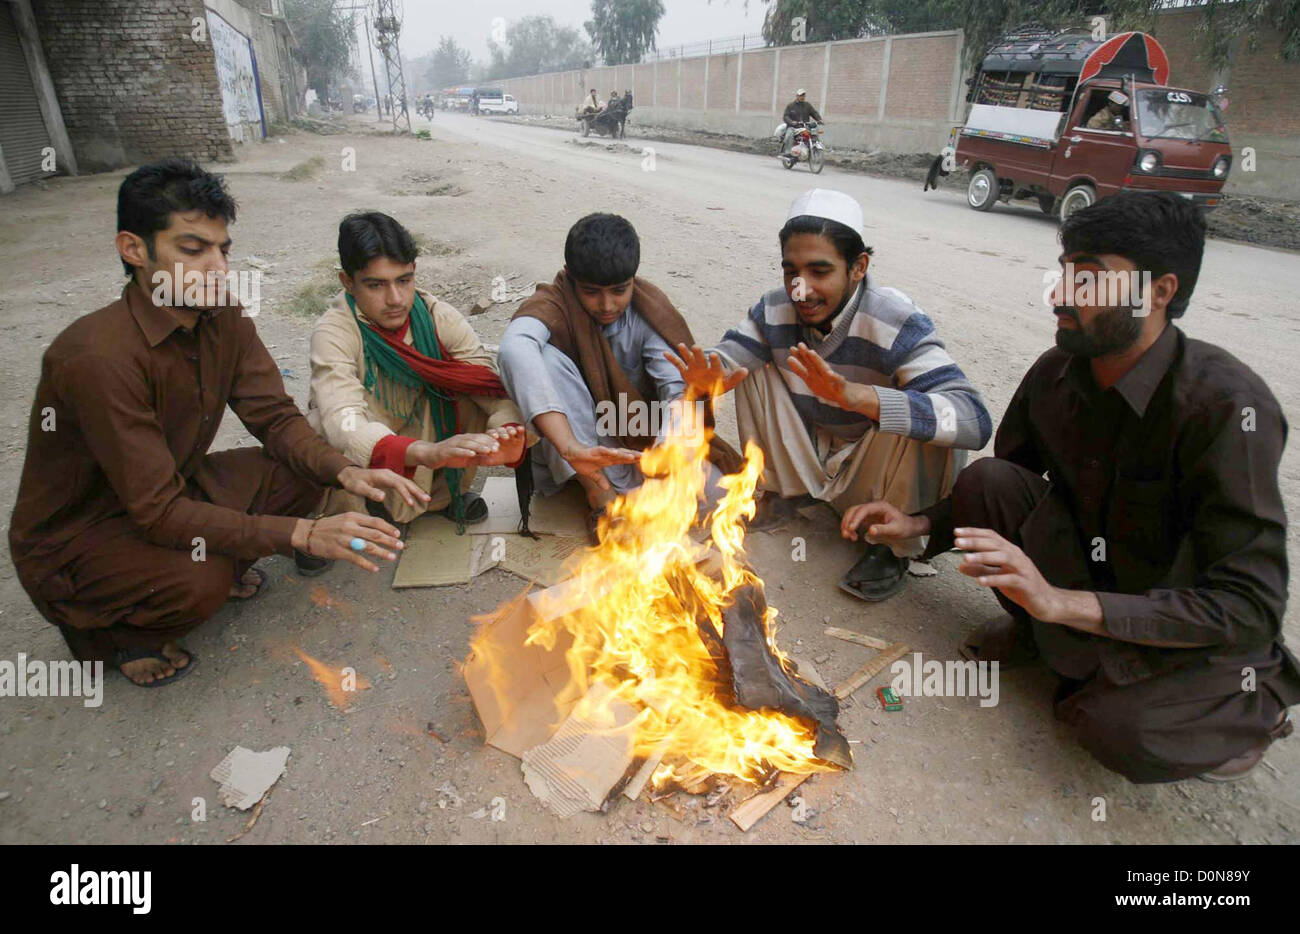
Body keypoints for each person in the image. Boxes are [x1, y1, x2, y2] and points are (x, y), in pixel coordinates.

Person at [847, 191, 1299, 783]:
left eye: (1088, 279)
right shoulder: (1056, 371)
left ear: (1158, 292)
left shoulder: (1226, 407)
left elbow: (1248, 605)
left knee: (1116, 727)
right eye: (1063, 274)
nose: (1060, 295)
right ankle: (1050, 638)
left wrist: (1060, 602)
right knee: (987, 482)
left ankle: (1244, 713)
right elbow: (1003, 486)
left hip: (1174, 614)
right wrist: (918, 525)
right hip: (1090, 570)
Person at [8, 159, 425, 686]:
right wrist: (304, 533)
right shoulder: (96, 357)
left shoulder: (221, 316)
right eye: (192, 249)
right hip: (84, 535)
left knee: (302, 470)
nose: (216, 266)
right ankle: (110, 636)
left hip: (168, 493)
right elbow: (157, 511)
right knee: (200, 582)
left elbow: (274, 418)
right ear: (133, 249)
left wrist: (344, 473)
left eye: (221, 249)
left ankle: (206, 561)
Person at [669, 189, 991, 601]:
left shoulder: (896, 319)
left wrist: (861, 398)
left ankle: (892, 547)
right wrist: (710, 373)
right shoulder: (774, 309)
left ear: (858, 267)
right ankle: (788, 492)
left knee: (922, 412)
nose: (801, 290)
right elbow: (729, 356)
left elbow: (974, 420)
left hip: (875, 467)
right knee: (750, 369)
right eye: (792, 272)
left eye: (819, 271)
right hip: (817, 451)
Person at [498, 213, 740, 538]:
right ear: (571, 278)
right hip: (573, 454)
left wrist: (667, 454)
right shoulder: (553, 305)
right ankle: (598, 493)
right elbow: (514, 349)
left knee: (718, 497)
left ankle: (637, 494)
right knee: (541, 357)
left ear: (632, 280)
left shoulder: (647, 313)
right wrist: (571, 448)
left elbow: (675, 391)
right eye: (592, 292)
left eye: (619, 290)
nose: (607, 305)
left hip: (637, 447)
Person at [306, 212, 528, 563]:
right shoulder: (334, 331)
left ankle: (440, 498)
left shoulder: (437, 316)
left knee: (471, 394)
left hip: (423, 439)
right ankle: (337, 518)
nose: (395, 298)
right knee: (324, 425)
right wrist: (424, 452)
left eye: (404, 280)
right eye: (376, 285)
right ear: (347, 282)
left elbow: (490, 387)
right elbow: (342, 418)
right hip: (380, 444)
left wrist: (506, 436)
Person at [781, 88, 823, 155]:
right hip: (793, 127)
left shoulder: (807, 105)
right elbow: (785, 116)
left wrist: (819, 119)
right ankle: (788, 152)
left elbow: (814, 113)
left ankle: (813, 148)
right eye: (800, 95)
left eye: (803, 95)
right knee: (790, 133)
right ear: (797, 96)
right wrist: (791, 122)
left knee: (814, 132)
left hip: (804, 127)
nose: (802, 97)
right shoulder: (791, 106)